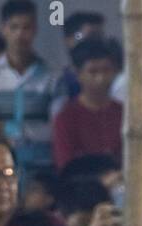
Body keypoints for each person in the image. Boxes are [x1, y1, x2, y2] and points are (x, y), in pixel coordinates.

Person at [0, 0, 65, 178]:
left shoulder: (53, 77)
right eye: (14, 27)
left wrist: (4, 128)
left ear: (35, 29)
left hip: (43, 168)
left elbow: (58, 128)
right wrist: (35, 129)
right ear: (3, 30)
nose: (20, 34)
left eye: (26, 27)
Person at [52, 38, 122, 172]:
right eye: (93, 72)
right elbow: (66, 167)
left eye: (106, 70)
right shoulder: (66, 118)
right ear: (78, 74)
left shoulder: (124, 113)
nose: (101, 78)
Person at [57, 10, 105, 98]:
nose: (97, 43)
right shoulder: (57, 83)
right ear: (69, 40)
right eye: (91, 36)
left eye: (100, 37)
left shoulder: (111, 79)